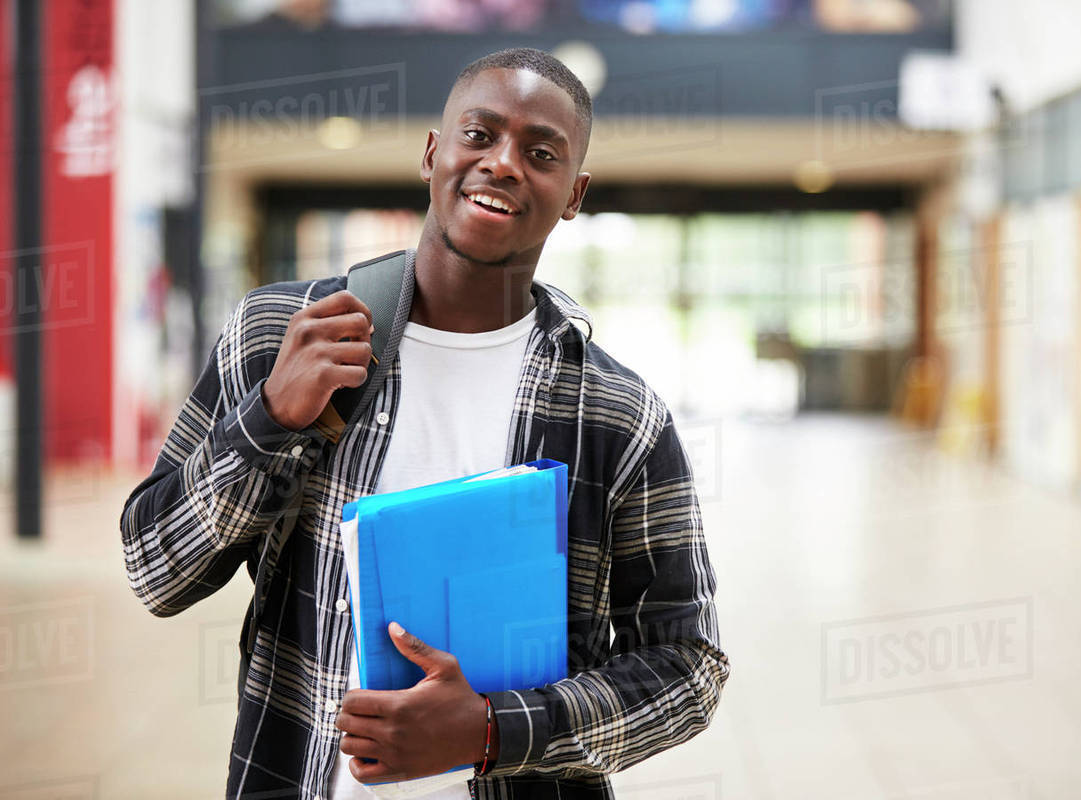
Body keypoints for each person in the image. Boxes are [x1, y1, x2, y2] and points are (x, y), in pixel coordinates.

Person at [121, 47, 730, 800]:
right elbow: (155, 571)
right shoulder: (283, 332)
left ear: (573, 194)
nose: (503, 163)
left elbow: (687, 669)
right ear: (433, 154)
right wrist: (270, 420)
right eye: (480, 135)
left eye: (540, 153)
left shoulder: (619, 416)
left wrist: (492, 731)